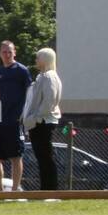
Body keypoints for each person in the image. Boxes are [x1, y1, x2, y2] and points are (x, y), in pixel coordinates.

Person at [0, 40, 33, 191]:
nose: (7, 54)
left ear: (15, 53)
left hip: (15, 121)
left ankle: (14, 190)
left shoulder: (22, 71)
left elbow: (30, 94)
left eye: (9, 51)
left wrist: (24, 115)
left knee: (16, 156)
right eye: (4, 52)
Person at [21, 47, 62, 191]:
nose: (36, 60)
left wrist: (35, 117)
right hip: (40, 121)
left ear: (45, 59)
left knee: (45, 157)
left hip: (43, 122)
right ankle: (46, 188)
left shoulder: (49, 77)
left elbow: (49, 100)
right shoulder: (43, 76)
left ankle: (50, 189)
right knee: (42, 157)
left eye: (38, 57)